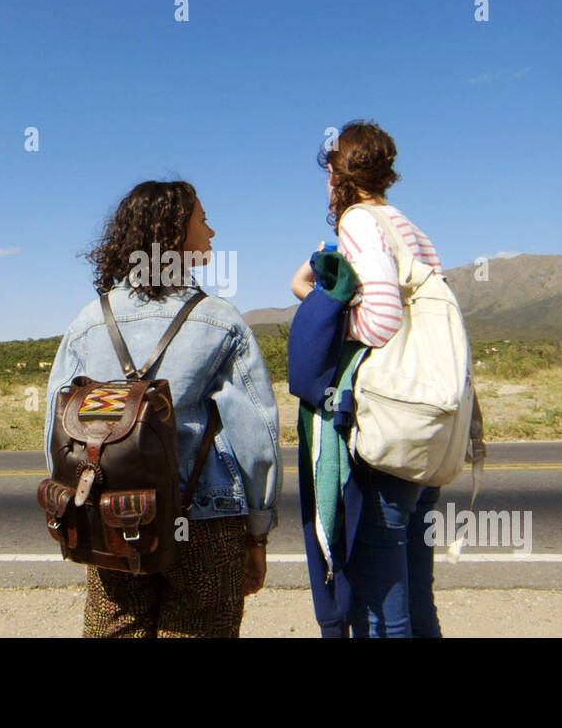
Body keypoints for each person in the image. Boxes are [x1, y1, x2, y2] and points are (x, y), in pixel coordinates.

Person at [44, 179, 282, 638]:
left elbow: (58, 432)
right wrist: (257, 529)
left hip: (113, 510)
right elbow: (257, 439)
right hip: (205, 521)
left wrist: (78, 508)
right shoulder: (221, 320)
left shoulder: (88, 321)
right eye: (202, 220)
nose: (211, 232)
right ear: (173, 233)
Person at [290, 120, 444, 638]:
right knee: (417, 600)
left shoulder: (358, 221)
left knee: (382, 613)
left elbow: (381, 320)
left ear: (337, 174)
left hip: (387, 431)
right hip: (421, 425)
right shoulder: (408, 226)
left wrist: (316, 302)